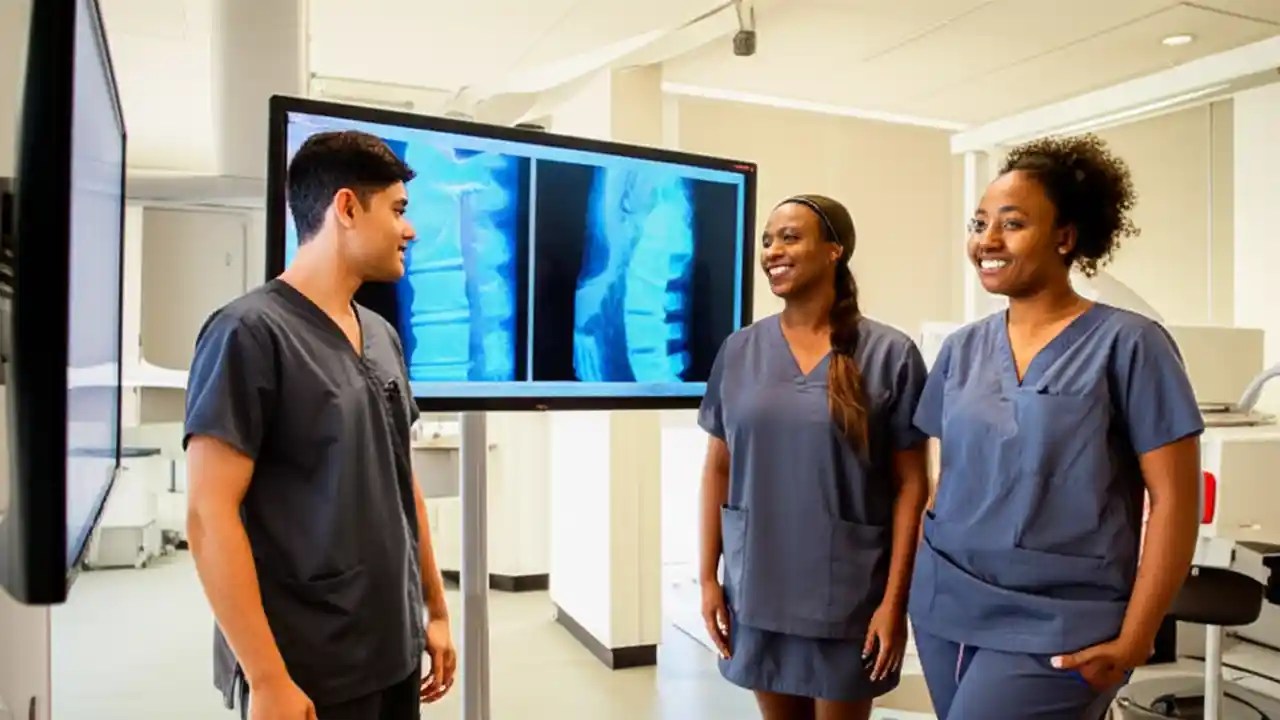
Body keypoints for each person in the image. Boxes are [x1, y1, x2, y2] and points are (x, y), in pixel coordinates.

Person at [908, 134, 1203, 719]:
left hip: (1063, 618)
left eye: (1011, 223)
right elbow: (949, 480)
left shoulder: (1131, 344)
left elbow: (1174, 501)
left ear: (1065, 237)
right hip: (946, 603)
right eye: (979, 222)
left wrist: (1138, 636)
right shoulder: (962, 350)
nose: (986, 240)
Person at [184, 130, 457, 720]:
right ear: (347, 208)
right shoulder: (249, 334)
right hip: (310, 667)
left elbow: (401, 481)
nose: (409, 230)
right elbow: (209, 516)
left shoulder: (381, 336)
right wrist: (267, 678)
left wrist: (433, 611)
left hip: (392, 649)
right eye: (399, 211)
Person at [698, 194, 931, 719]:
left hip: (847, 594)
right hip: (758, 587)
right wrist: (709, 578)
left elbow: (913, 487)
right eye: (767, 239)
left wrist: (894, 604)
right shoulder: (739, 351)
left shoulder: (889, 354)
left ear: (834, 250)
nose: (773, 250)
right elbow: (718, 466)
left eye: (790, 237)